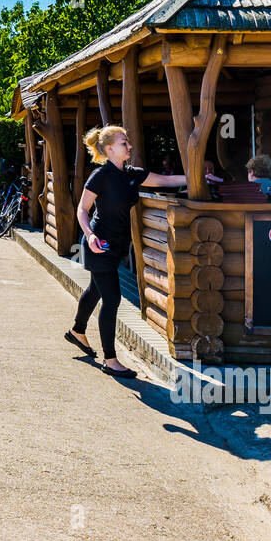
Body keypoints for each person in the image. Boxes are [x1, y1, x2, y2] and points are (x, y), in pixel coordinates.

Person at [66, 125, 220, 378]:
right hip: (98, 244)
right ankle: (111, 360)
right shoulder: (100, 176)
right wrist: (90, 235)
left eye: (128, 141)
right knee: (112, 298)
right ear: (109, 149)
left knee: (96, 290)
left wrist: (198, 178)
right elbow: (82, 210)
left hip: (115, 245)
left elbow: (166, 180)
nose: (129, 146)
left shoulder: (132, 174)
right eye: (124, 142)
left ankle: (77, 332)